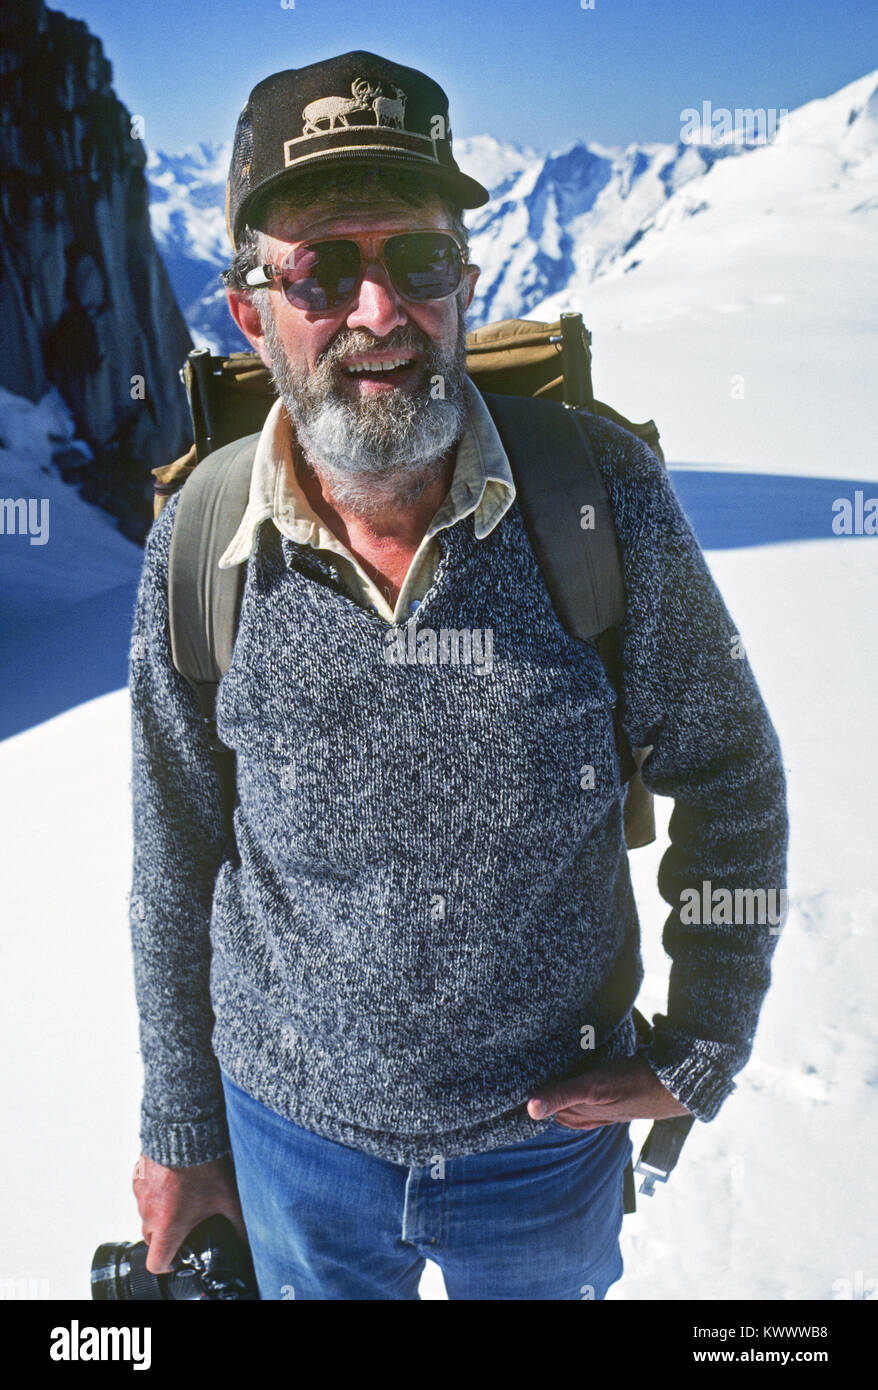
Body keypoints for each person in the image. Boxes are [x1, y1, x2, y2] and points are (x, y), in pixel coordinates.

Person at [128, 50, 789, 1300]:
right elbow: (176, 849)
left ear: (464, 284)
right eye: (323, 269)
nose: (379, 312)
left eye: (417, 261)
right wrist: (179, 1131)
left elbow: (728, 770)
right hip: (288, 1145)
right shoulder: (201, 539)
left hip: (543, 1149)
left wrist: (703, 1042)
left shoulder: (598, 499)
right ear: (250, 311)